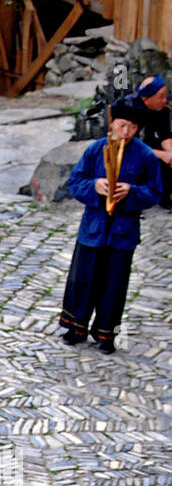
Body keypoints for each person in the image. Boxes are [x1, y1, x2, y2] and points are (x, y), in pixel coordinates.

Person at [59, 99, 162, 352]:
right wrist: (94, 186)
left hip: (122, 232)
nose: (126, 133)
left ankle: (106, 335)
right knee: (82, 280)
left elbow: (155, 191)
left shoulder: (145, 155)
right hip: (93, 228)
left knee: (114, 285)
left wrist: (132, 192)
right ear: (112, 123)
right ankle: (75, 328)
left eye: (132, 127)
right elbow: (75, 181)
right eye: (122, 125)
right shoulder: (96, 149)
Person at [133, 76, 172, 209]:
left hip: (151, 146)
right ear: (146, 99)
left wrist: (170, 153)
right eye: (160, 97)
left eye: (165, 96)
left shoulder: (162, 110)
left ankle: (165, 196)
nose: (164, 100)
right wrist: (162, 155)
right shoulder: (131, 111)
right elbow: (133, 144)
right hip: (133, 150)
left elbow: (164, 135)